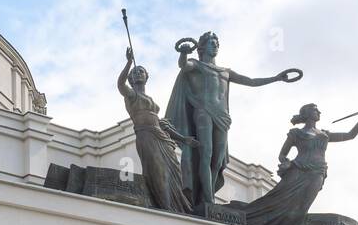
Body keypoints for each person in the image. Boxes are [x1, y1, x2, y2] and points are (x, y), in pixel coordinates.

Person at [164, 31, 301, 208]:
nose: (215, 45)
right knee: (206, 154)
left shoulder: (225, 72)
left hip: (223, 117)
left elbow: (251, 81)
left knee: (218, 160)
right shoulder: (196, 65)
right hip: (204, 111)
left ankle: (209, 191)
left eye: (217, 43)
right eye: (211, 42)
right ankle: (207, 200)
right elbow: (184, 65)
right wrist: (183, 52)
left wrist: (276, 78)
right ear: (202, 47)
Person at [230, 102, 358, 225]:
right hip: (298, 170)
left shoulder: (325, 135)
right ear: (307, 114)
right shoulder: (296, 133)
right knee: (280, 200)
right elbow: (282, 154)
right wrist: (286, 162)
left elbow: (350, 135)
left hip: (318, 172)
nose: (319, 112)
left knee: (304, 204)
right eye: (315, 110)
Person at [117, 48, 196, 214]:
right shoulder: (131, 96)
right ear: (131, 79)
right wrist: (129, 62)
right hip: (146, 136)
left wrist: (183, 138)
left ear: (147, 76)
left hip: (161, 138)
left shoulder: (151, 100)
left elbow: (161, 124)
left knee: (173, 173)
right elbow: (120, 84)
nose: (138, 73)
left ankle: (177, 207)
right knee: (157, 172)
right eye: (135, 73)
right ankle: (165, 208)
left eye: (141, 71)